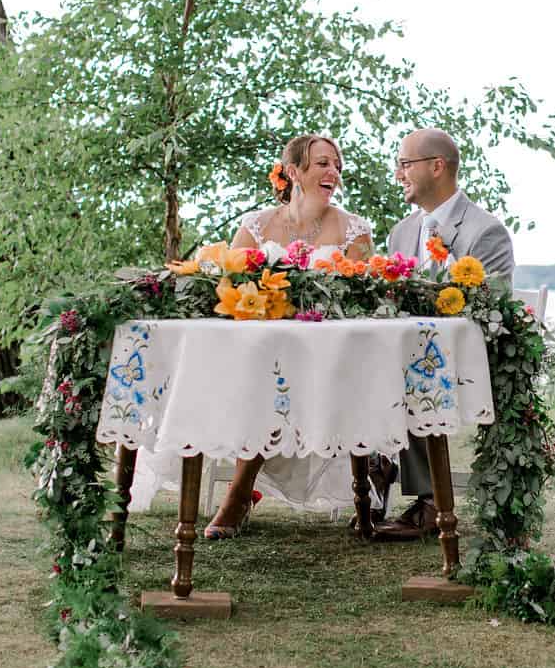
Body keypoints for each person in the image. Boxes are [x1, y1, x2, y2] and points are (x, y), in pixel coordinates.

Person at [203, 134, 374, 539]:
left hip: (331, 357)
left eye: (337, 165)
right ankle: (241, 492)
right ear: (294, 172)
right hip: (261, 350)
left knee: (275, 379)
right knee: (266, 373)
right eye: (323, 164)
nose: (333, 172)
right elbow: (230, 289)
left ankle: (238, 496)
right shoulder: (257, 225)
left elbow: (361, 300)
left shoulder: (354, 230)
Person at [372, 126, 514, 541]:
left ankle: (430, 500)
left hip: (463, 358)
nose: (398, 173)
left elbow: (488, 310)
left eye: (405, 164)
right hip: (405, 351)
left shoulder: (485, 231)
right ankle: (375, 468)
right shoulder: (401, 232)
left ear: (437, 166)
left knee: (414, 368)